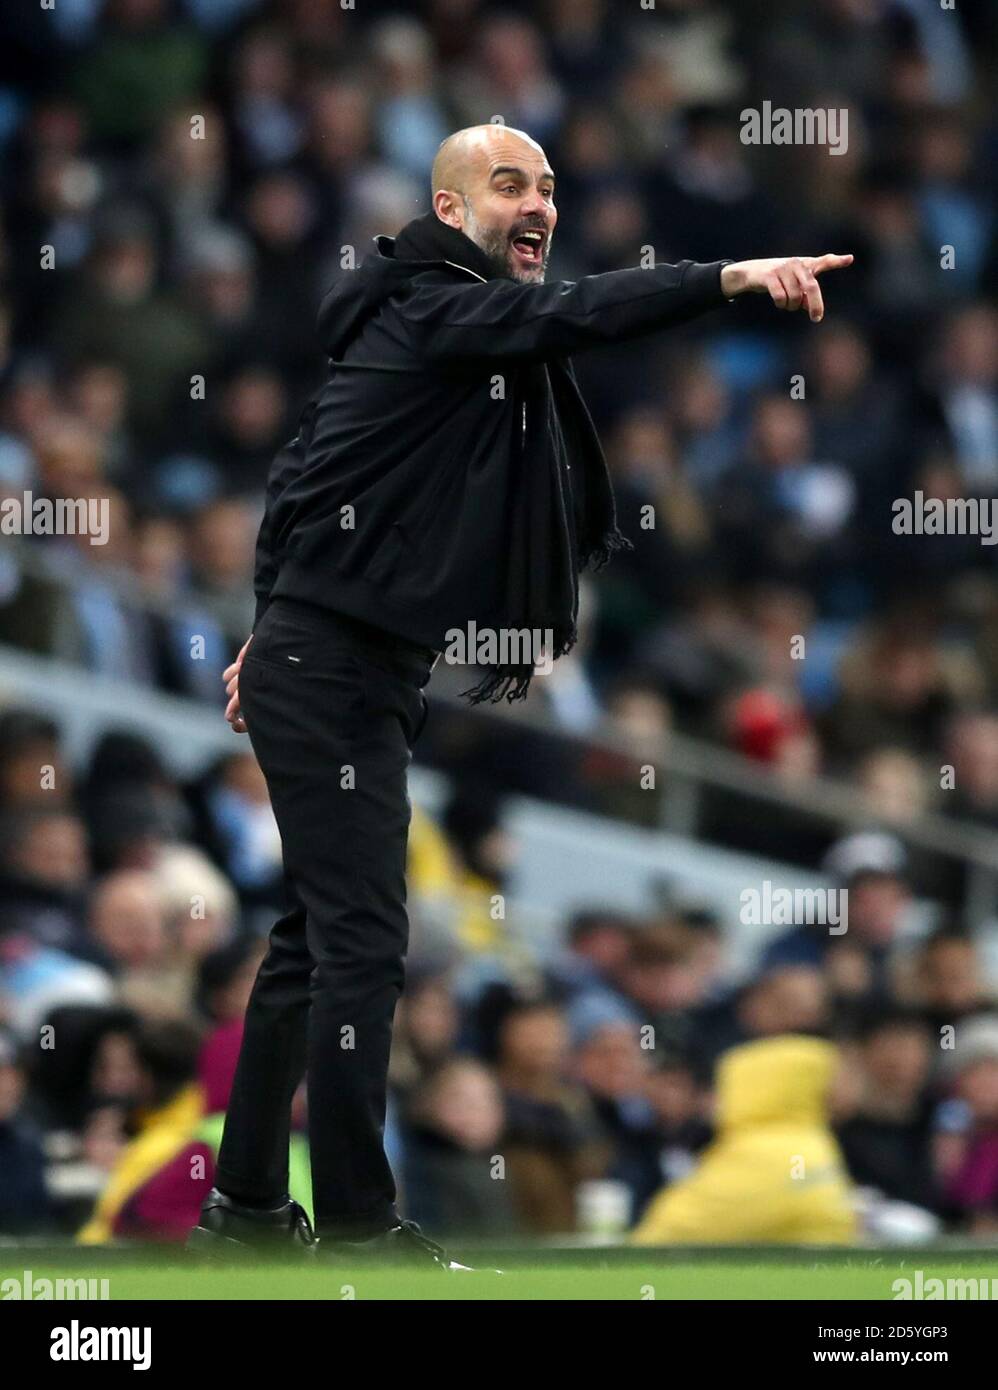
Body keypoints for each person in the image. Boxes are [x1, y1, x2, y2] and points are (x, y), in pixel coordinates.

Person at [192, 122, 853, 1267]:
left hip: (346, 658)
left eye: (547, 185)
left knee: (317, 941)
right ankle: (351, 1224)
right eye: (508, 185)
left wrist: (267, 622)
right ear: (450, 213)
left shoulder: (422, 324)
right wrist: (728, 276)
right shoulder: (434, 310)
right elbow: (569, 315)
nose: (536, 203)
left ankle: (247, 1206)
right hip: (333, 661)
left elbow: (301, 472)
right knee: (360, 944)